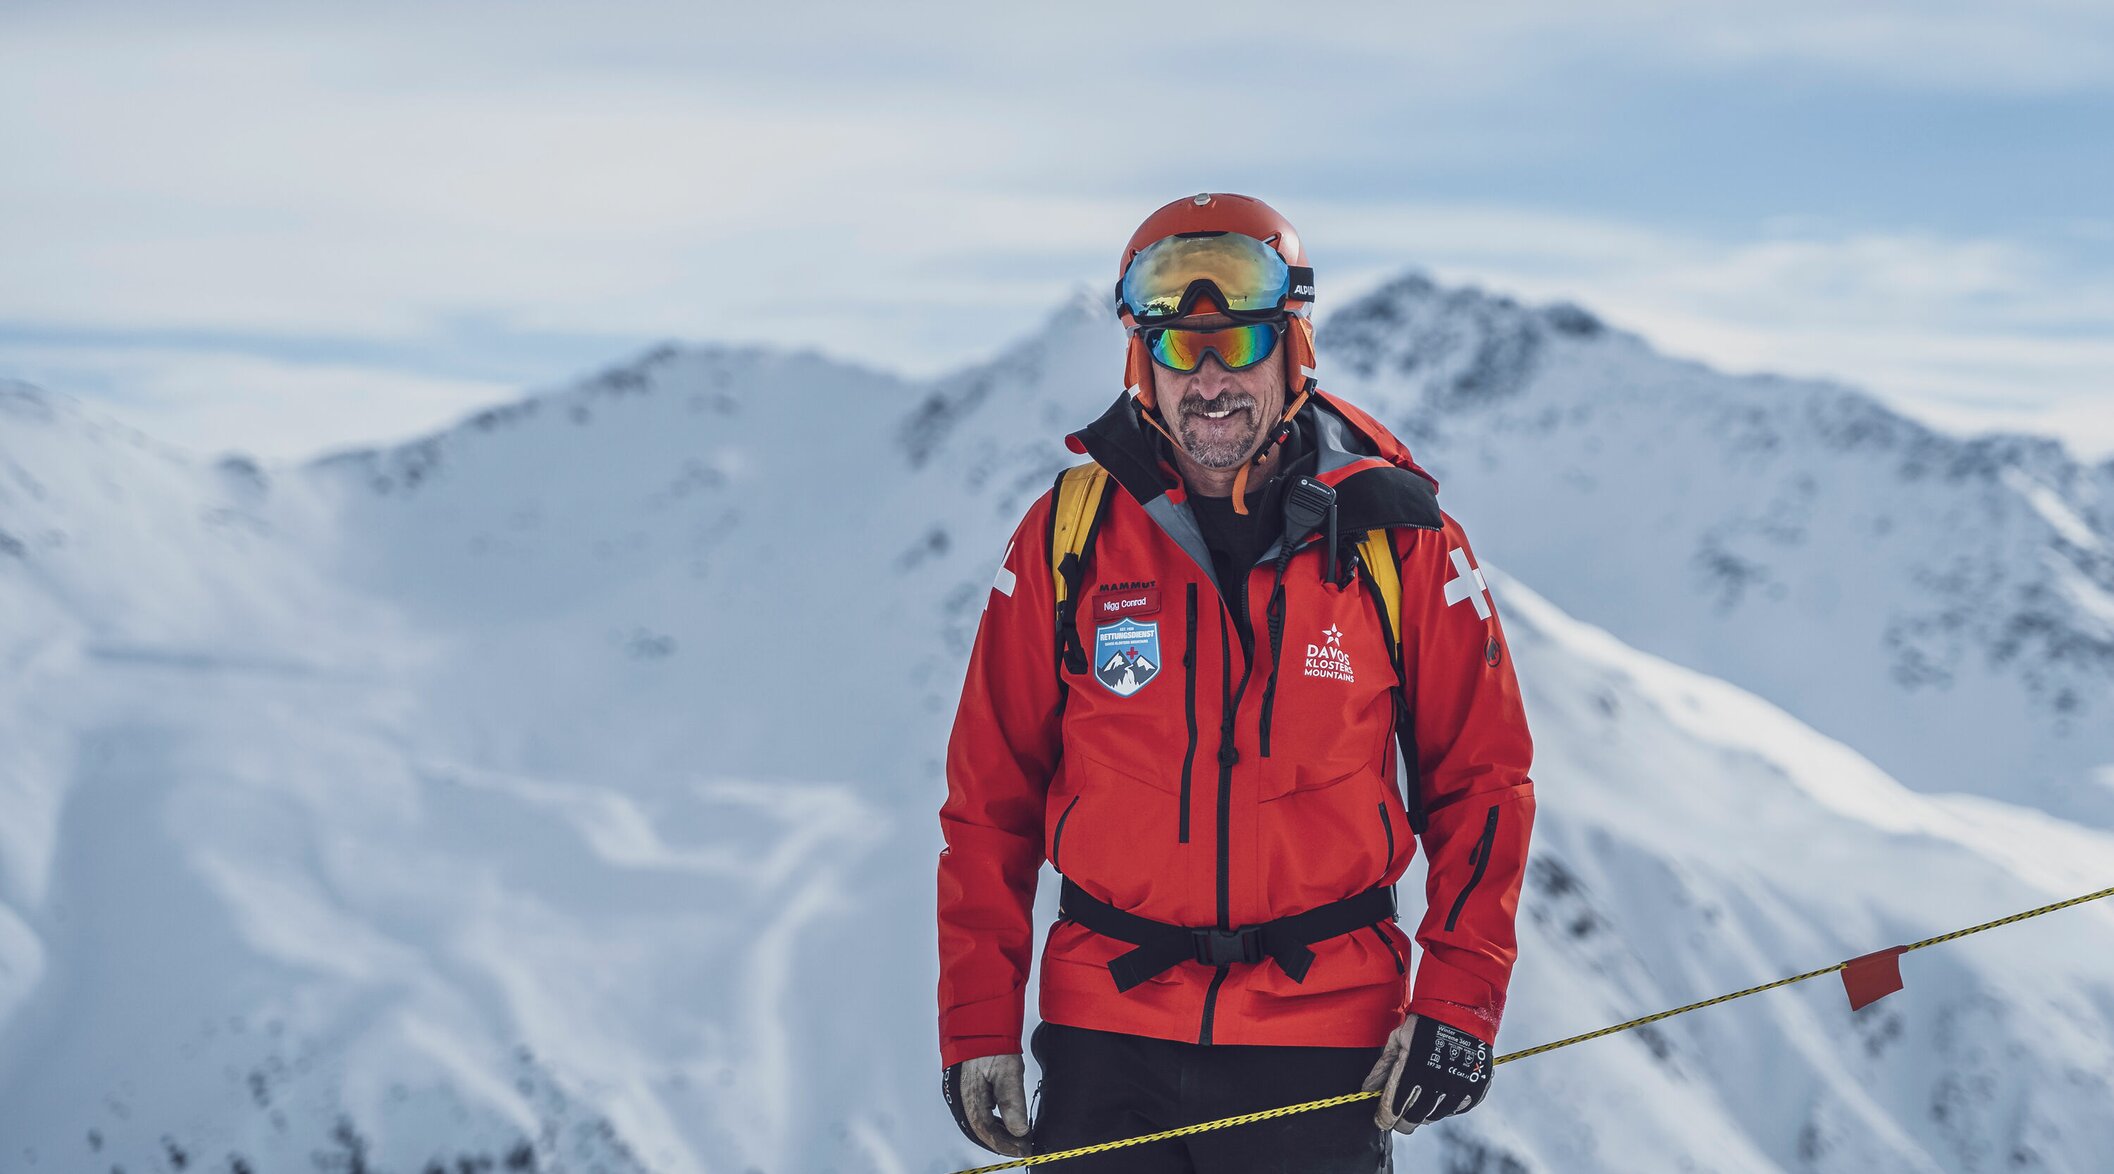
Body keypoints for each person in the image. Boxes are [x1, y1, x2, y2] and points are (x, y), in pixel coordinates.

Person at [937, 192, 1536, 1172]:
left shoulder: (1399, 536)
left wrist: (1458, 1002)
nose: (1208, 380)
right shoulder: (1067, 534)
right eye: (1179, 351)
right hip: (1104, 1040)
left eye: (1238, 346)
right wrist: (975, 1023)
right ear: (1142, 365)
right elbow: (988, 805)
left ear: (1291, 350)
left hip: (1321, 1043)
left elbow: (1482, 783)